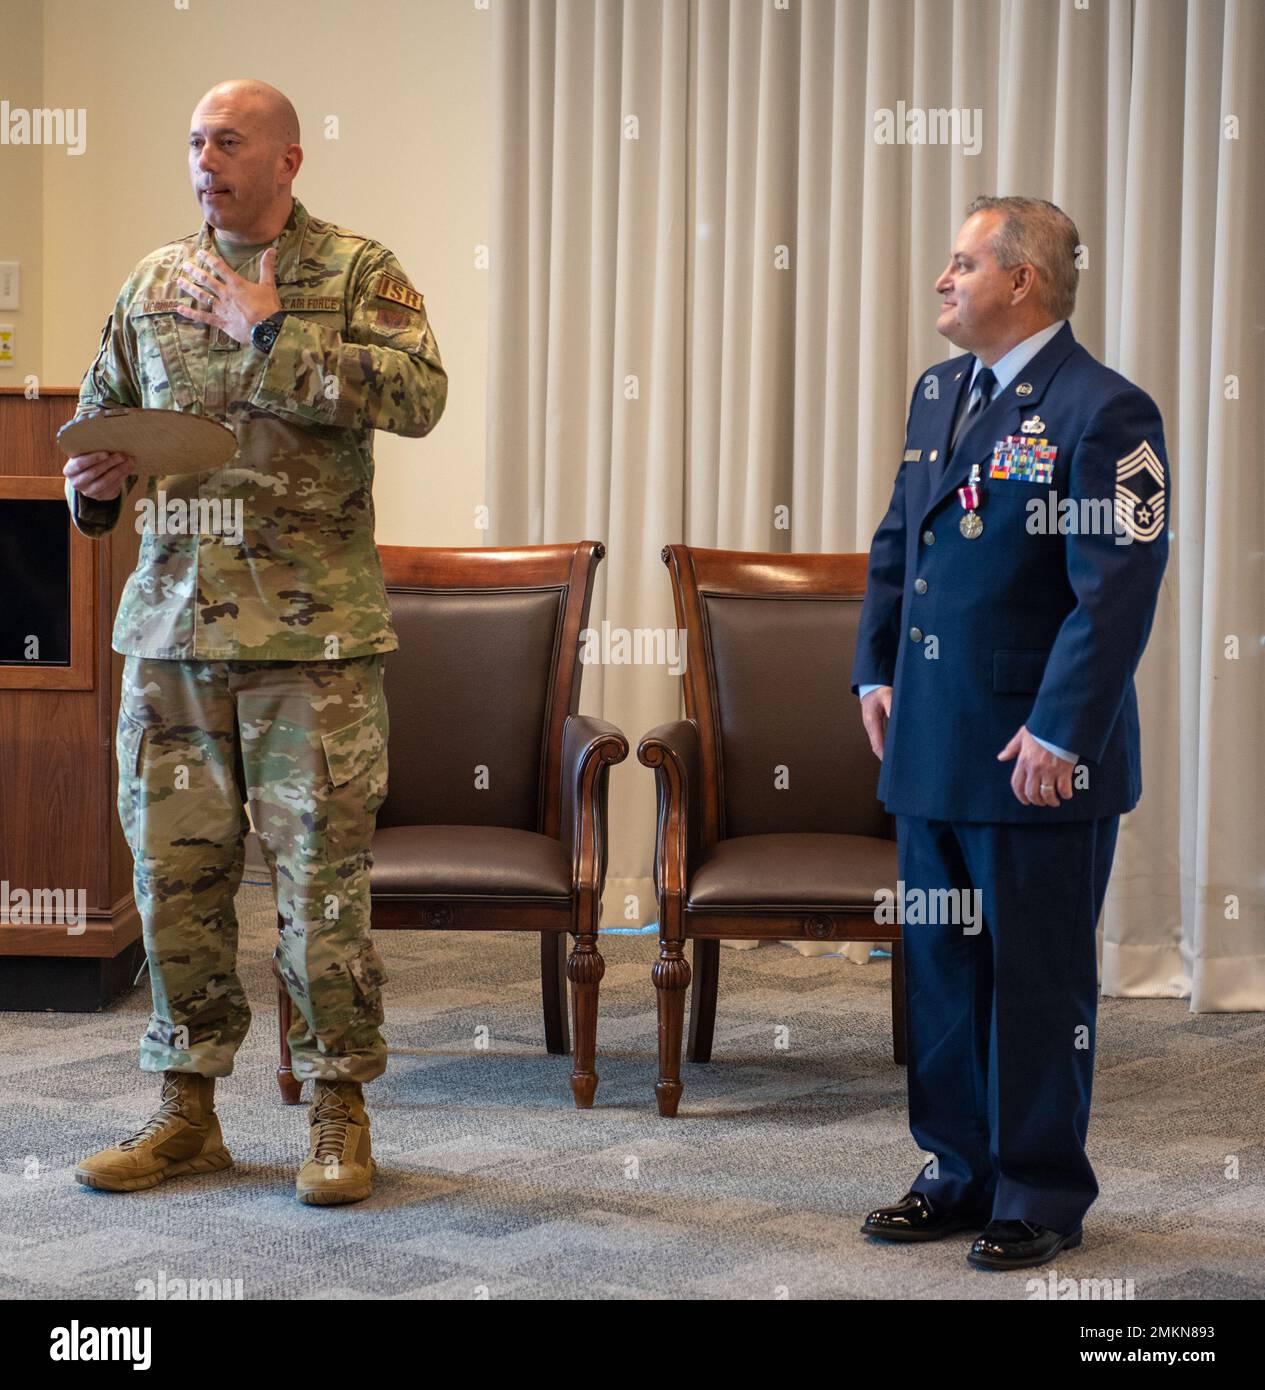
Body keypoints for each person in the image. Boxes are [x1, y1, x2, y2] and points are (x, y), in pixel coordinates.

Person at [64, 78, 446, 1206]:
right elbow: (96, 429)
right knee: (172, 880)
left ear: (286, 160)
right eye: (192, 141)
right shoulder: (150, 282)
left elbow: (419, 395)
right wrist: (92, 489)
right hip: (172, 641)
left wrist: (269, 331)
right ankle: (186, 1111)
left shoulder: (357, 271)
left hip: (310, 646)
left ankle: (337, 1106)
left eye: (227, 141)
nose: (204, 160)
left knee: (320, 887)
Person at [851, 196, 1169, 1270]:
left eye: (959, 263)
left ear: (1020, 278)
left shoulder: (1102, 410)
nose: (940, 280)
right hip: (929, 740)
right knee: (940, 970)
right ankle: (954, 1169)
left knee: (1033, 981)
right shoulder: (937, 392)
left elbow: (1114, 593)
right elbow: (898, 540)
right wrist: (871, 668)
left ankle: (1037, 1189)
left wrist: (1058, 730)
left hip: (1033, 756)